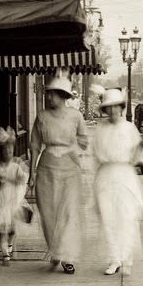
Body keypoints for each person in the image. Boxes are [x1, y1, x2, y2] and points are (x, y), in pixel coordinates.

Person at [29, 75, 88, 274]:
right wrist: (31, 173)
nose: (49, 97)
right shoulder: (42, 117)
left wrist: (72, 151)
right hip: (46, 169)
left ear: (63, 96)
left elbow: (83, 141)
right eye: (48, 93)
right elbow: (35, 145)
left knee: (69, 212)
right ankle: (56, 250)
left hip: (70, 169)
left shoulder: (75, 116)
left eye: (52, 94)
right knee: (49, 213)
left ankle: (68, 256)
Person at [91, 88, 143, 276]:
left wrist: (140, 147)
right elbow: (96, 155)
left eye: (116, 107)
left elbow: (134, 158)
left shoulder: (129, 128)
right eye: (109, 108)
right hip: (105, 175)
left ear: (121, 108)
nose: (113, 111)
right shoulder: (100, 129)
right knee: (108, 219)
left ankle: (126, 257)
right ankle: (114, 258)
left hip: (124, 175)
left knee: (126, 216)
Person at [0, 126, 30, 265]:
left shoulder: (15, 167)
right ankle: (5, 255)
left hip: (13, 205)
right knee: (3, 231)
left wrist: (11, 180)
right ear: (1, 153)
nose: (9, 153)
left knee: (12, 231)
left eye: (11, 151)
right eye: (6, 151)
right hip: (1, 205)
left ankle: (9, 247)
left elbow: (23, 180)